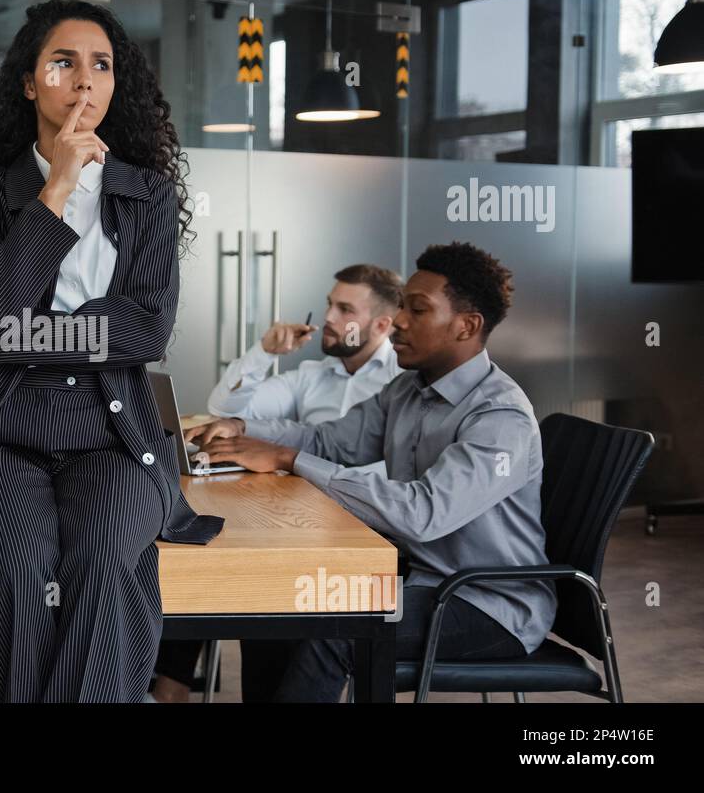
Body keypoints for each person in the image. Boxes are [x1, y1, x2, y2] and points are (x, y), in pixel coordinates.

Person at [0, 0, 222, 703]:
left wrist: (17, 333)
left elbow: (145, 331)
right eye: (63, 62)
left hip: (113, 436)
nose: (85, 80)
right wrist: (55, 190)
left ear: (116, 83)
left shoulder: (147, 195)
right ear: (28, 82)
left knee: (107, 561)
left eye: (101, 65)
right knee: (18, 564)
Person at [188, 242, 557, 702]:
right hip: (421, 578)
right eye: (403, 307)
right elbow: (331, 441)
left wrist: (287, 459)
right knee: (277, 601)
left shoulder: (499, 417)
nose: (399, 321)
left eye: (417, 310)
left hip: (486, 602)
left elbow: (423, 513)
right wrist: (244, 428)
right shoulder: (408, 389)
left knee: (341, 630)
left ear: (467, 325)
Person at [152, 262, 404, 702]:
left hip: (361, 526)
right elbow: (223, 404)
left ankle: (177, 685)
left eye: (344, 308)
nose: (327, 317)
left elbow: (378, 474)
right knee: (210, 545)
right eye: (329, 303)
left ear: (381, 324)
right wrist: (264, 353)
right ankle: (170, 685)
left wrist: (283, 456)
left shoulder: (400, 384)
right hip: (301, 511)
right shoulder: (313, 377)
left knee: (264, 579)